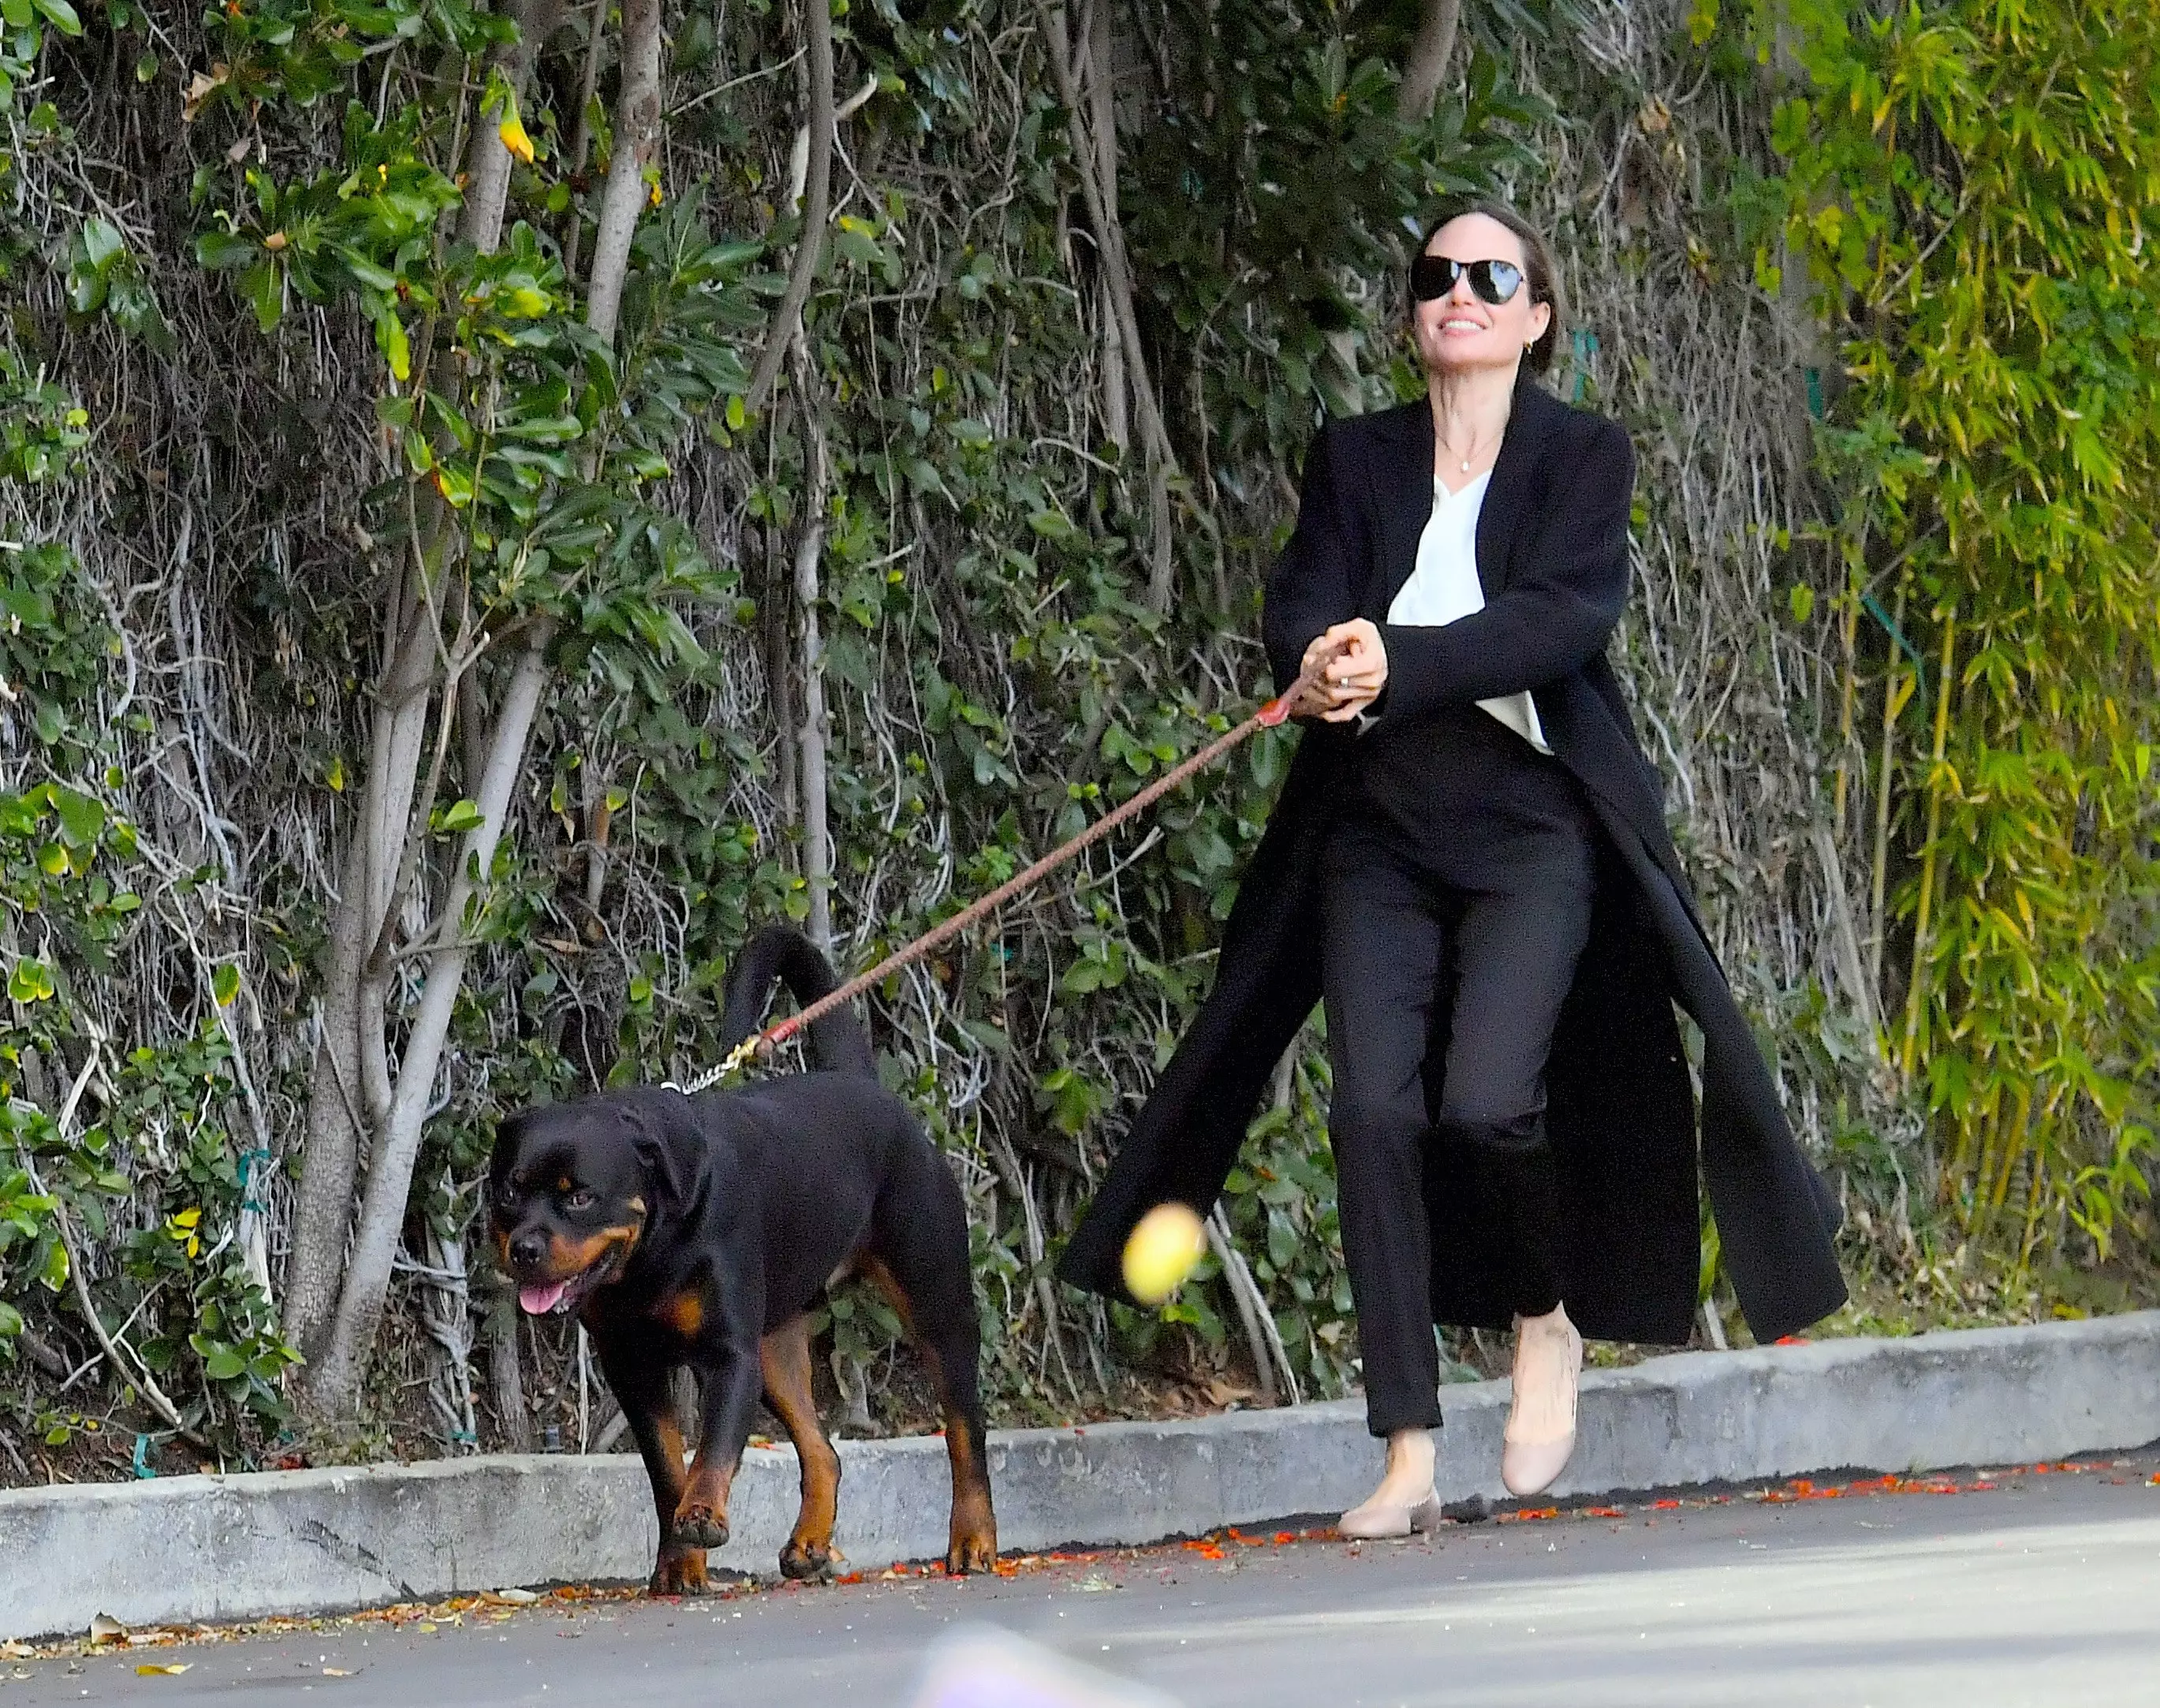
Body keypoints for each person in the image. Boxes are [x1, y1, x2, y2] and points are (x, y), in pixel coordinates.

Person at [1058, 198, 1846, 1535]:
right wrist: (1315, 659)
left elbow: (1561, 617)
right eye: (1437, 275)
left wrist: (1403, 662)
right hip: (1376, 824)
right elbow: (1302, 593)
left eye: (1493, 275)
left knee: (1486, 1102)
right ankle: (1407, 1453)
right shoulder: (1354, 455)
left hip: (1532, 825)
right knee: (1370, 1112)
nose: (1460, 292)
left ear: (1535, 316)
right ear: (1415, 313)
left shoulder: (1582, 456)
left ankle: (1546, 1316)